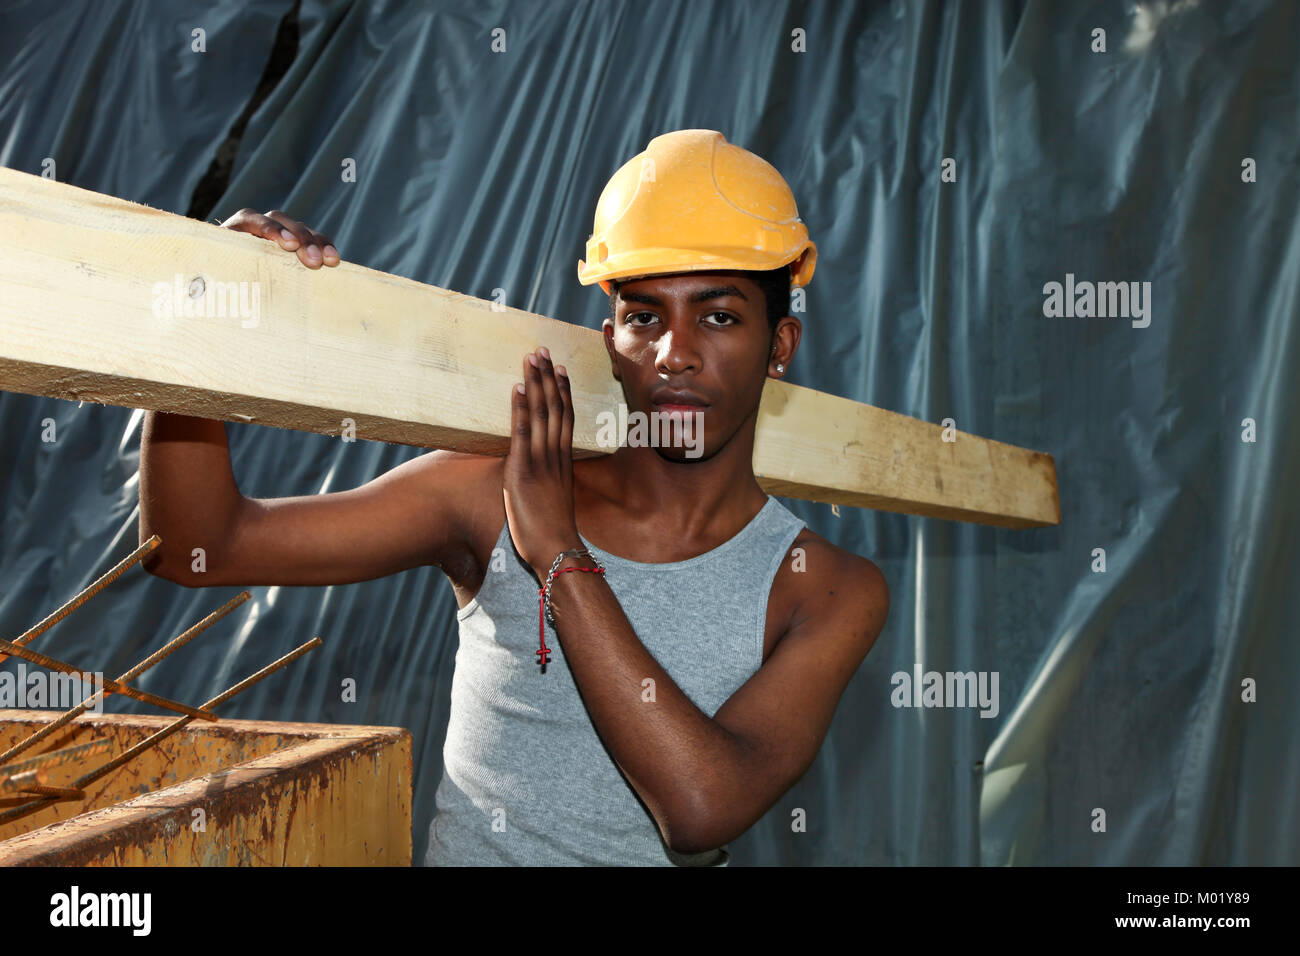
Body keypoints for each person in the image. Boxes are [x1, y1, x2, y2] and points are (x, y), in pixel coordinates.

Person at [138, 129, 889, 866]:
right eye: (644, 317)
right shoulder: (490, 492)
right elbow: (197, 547)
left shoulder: (825, 588)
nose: (674, 352)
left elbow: (700, 808)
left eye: (719, 316)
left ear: (780, 345)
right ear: (611, 342)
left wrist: (556, 550)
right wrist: (204, 307)